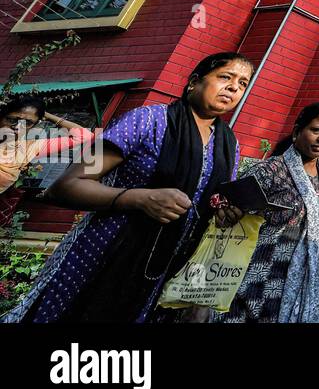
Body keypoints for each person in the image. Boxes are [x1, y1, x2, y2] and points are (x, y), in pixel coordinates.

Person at [3, 53, 249, 323]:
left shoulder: (228, 145)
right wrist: (138, 198)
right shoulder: (145, 121)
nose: (234, 87)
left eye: (243, 83)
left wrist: (224, 211)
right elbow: (68, 185)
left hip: (166, 272)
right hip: (103, 253)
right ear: (193, 82)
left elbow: (210, 203)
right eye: (225, 77)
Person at [214, 102, 319, 323]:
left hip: (299, 289)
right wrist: (227, 211)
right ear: (297, 132)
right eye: (317, 130)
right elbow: (226, 211)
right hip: (257, 283)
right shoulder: (271, 170)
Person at [0, 95, 94, 198]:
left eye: (27, 123)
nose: (17, 128)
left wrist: (45, 114)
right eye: (12, 120)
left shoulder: (28, 149)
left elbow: (84, 136)